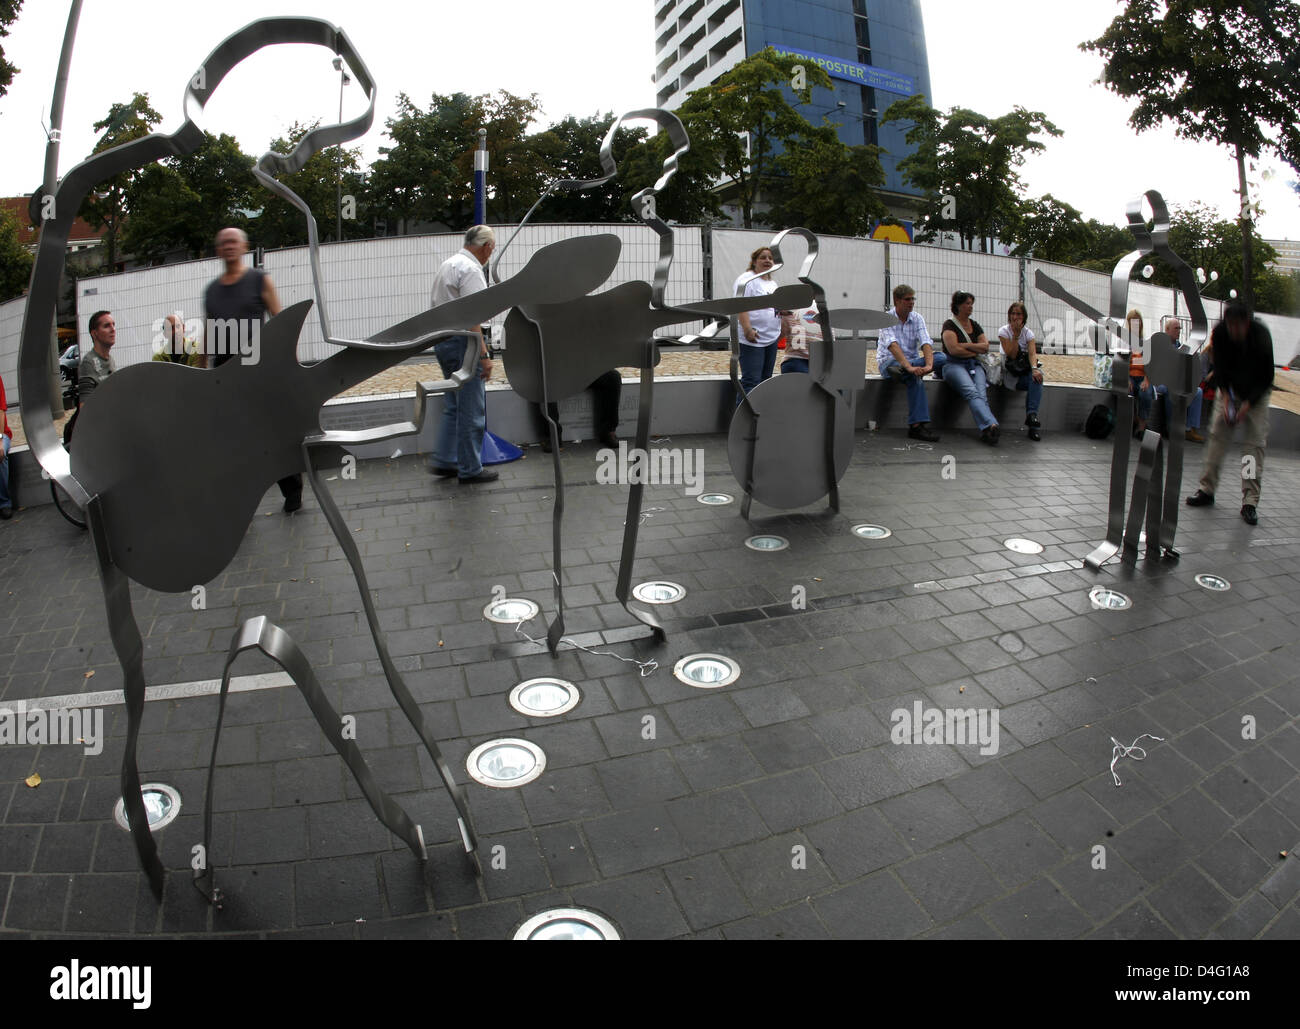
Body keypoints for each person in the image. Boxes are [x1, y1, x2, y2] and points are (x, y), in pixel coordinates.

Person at [204, 227, 303, 513]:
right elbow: (210, 332)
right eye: (223, 243)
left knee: (273, 434)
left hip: (259, 371)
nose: (229, 246)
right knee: (234, 440)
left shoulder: (260, 281)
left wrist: (288, 365)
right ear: (218, 250)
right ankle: (238, 498)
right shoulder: (212, 290)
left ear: (244, 246)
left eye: (234, 241)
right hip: (225, 375)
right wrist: (203, 373)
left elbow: (280, 323)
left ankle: (292, 492)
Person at [1186, 301, 1274, 525]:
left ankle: (1249, 502)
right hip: (1230, 389)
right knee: (1217, 437)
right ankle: (1206, 490)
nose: (1234, 331)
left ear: (1247, 324)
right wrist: (1226, 399)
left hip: (1256, 393)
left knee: (1252, 447)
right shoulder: (1221, 333)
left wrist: (1247, 405)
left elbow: (1266, 377)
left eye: (1238, 326)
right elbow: (1221, 369)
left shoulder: (1261, 335)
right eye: (1230, 326)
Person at [428, 225, 497, 484]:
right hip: (463, 343)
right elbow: (473, 316)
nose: (491, 253)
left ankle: (445, 460)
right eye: (492, 248)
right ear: (486, 246)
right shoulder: (471, 270)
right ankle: (470, 468)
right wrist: (484, 355)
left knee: (454, 405)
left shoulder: (448, 264)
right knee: (471, 407)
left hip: (442, 341)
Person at [877, 283, 946, 442]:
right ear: (897, 301)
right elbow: (893, 346)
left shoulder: (917, 318)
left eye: (913, 299)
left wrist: (928, 366)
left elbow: (926, 343)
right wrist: (909, 366)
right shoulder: (886, 319)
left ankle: (916, 427)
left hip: (910, 364)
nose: (912, 302)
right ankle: (917, 426)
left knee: (941, 357)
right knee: (911, 374)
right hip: (890, 362)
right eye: (908, 299)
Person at [941, 291, 1000, 445]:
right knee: (972, 392)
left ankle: (988, 430)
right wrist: (974, 349)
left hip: (975, 365)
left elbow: (985, 347)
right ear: (958, 306)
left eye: (971, 303)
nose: (970, 307)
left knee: (981, 394)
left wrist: (965, 345)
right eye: (967, 303)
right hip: (954, 365)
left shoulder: (975, 325)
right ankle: (991, 424)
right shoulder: (949, 325)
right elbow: (953, 350)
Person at [734, 247, 784, 398]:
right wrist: (747, 329)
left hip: (771, 339)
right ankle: (744, 417)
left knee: (765, 381)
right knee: (751, 382)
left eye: (770, 258)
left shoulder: (772, 283)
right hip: (753, 340)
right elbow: (740, 305)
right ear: (754, 261)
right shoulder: (746, 280)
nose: (767, 260)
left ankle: (761, 415)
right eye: (763, 257)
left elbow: (774, 308)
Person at [996, 301, 1044, 441]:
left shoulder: (1028, 333)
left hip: (1024, 372)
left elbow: (1032, 353)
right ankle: (1032, 421)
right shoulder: (1004, 331)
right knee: (1034, 380)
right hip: (1011, 374)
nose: (1015, 317)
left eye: (1018, 314)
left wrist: (1035, 369)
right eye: (1013, 313)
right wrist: (1016, 335)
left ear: (1024, 317)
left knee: (1038, 377)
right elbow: (1011, 354)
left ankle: (1032, 417)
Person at [541, 370, 621, 453]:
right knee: (544, 379)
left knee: (613, 377)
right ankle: (553, 437)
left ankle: (608, 431)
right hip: (555, 374)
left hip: (582, 371)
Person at [1162, 316, 1206, 443]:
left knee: (1197, 392)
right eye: (1176, 328)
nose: (1179, 331)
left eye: (1180, 328)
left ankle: (1189, 429)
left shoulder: (1180, 346)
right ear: (1167, 329)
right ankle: (1171, 427)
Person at [78, 310, 117, 407]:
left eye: (113, 325)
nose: (113, 329)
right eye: (106, 326)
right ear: (94, 334)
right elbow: (84, 408)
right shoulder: (88, 362)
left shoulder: (111, 360)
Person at [0, 370, 12, 519]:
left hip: (2, 434)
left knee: (0, 456)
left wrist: (0, 440)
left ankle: (4, 503)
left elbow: (1, 411)